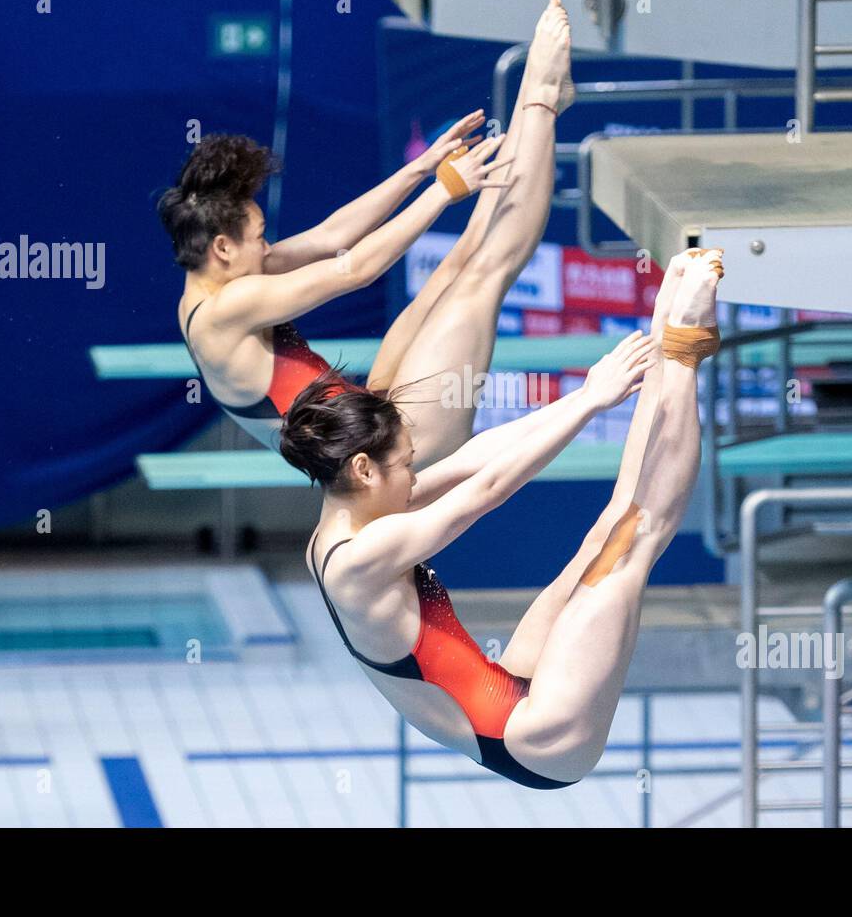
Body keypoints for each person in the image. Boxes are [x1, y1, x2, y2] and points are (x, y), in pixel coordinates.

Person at [280, 249, 724, 788]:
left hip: (509, 689)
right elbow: (486, 490)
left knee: (609, 532)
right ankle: (686, 348)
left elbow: (474, 459)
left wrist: (588, 394)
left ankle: (665, 333)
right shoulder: (361, 558)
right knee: (633, 543)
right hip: (535, 739)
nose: (416, 475)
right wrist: (588, 405)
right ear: (363, 469)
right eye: (406, 464)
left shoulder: (350, 516)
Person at [158, 0, 575, 467]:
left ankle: (537, 99)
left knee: (459, 261)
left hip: (370, 411)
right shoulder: (228, 308)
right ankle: (540, 97)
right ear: (222, 246)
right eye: (259, 236)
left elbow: (331, 235)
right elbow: (356, 269)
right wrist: (440, 194)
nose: (268, 246)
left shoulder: (220, 280)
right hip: (389, 455)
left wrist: (418, 170)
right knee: (484, 272)